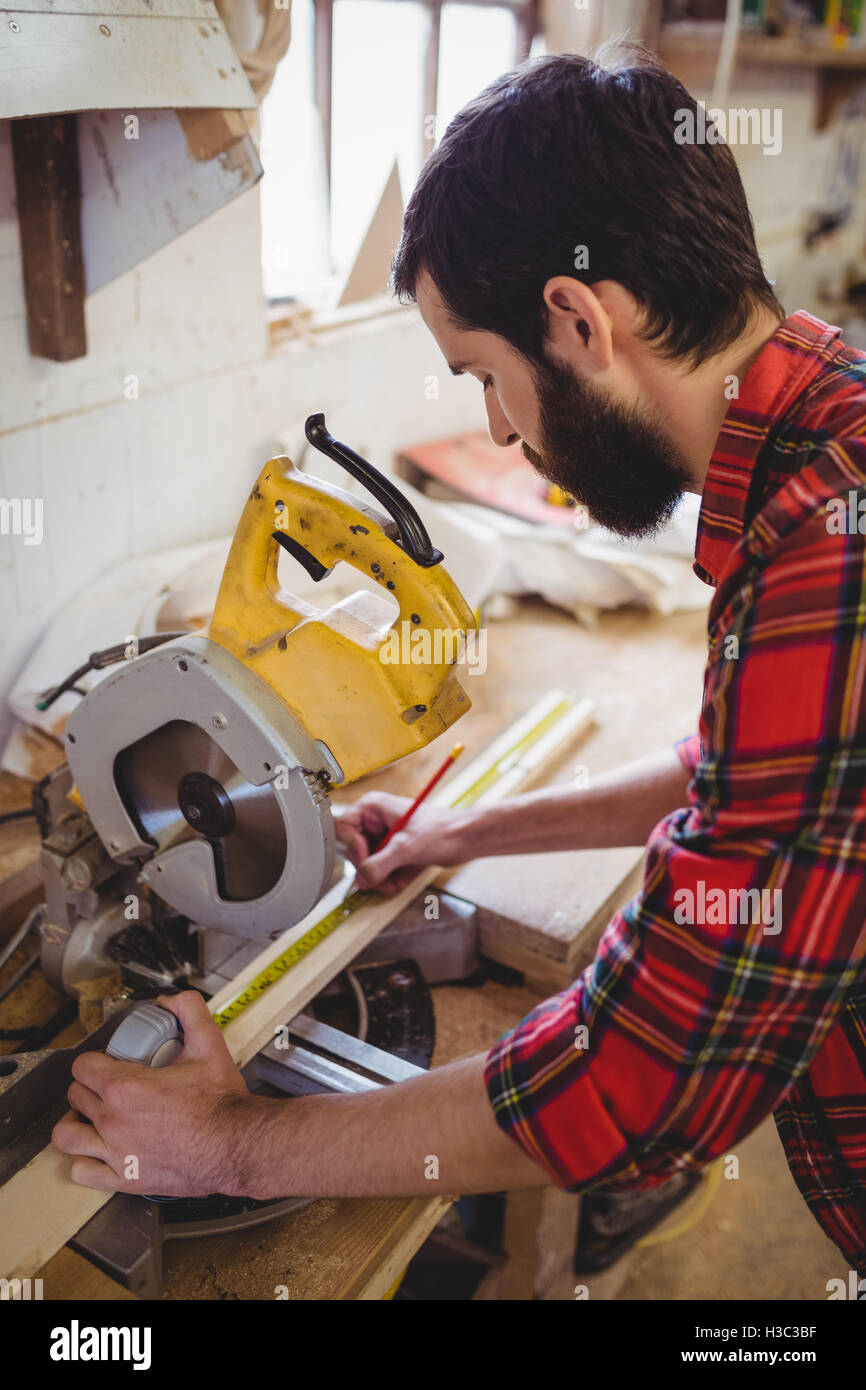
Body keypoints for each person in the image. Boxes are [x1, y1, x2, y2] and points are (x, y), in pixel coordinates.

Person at [55, 42, 866, 1277]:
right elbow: (741, 774)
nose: (495, 427)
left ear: (576, 320)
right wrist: (462, 835)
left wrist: (233, 1145)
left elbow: (642, 1085)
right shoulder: (823, 437)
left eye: (484, 376)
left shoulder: (826, 552)